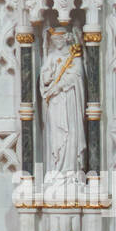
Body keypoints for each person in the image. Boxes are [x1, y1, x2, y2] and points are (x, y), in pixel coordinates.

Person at [39, 26, 86, 180]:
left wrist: (59, 86)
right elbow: (44, 77)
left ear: (66, 37)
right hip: (55, 101)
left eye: (59, 39)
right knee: (56, 135)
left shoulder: (74, 55)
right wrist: (47, 78)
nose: (57, 42)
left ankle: (70, 170)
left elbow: (77, 75)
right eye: (54, 40)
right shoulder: (51, 56)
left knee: (70, 132)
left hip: (69, 98)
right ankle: (56, 168)